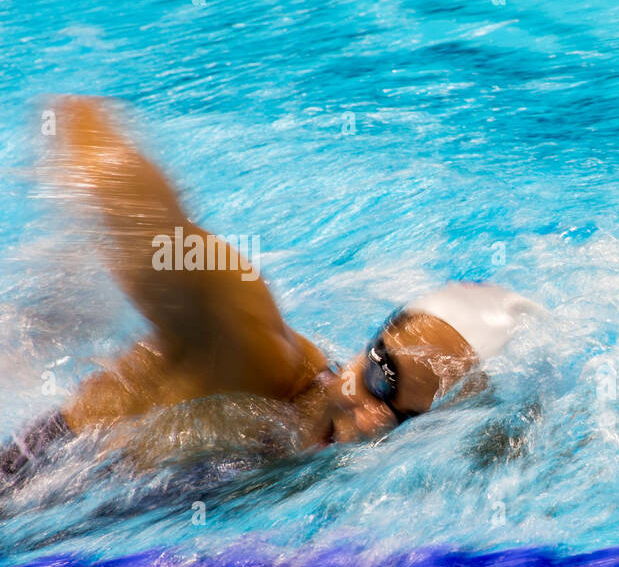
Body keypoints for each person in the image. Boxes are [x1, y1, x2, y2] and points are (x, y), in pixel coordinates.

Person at [0, 97, 543, 487]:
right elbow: (140, 206)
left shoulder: (332, 471)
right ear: (370, 345)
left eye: (409, 420)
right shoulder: (246, 345)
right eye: (383, 379)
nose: (376, 419)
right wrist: (66, 284)